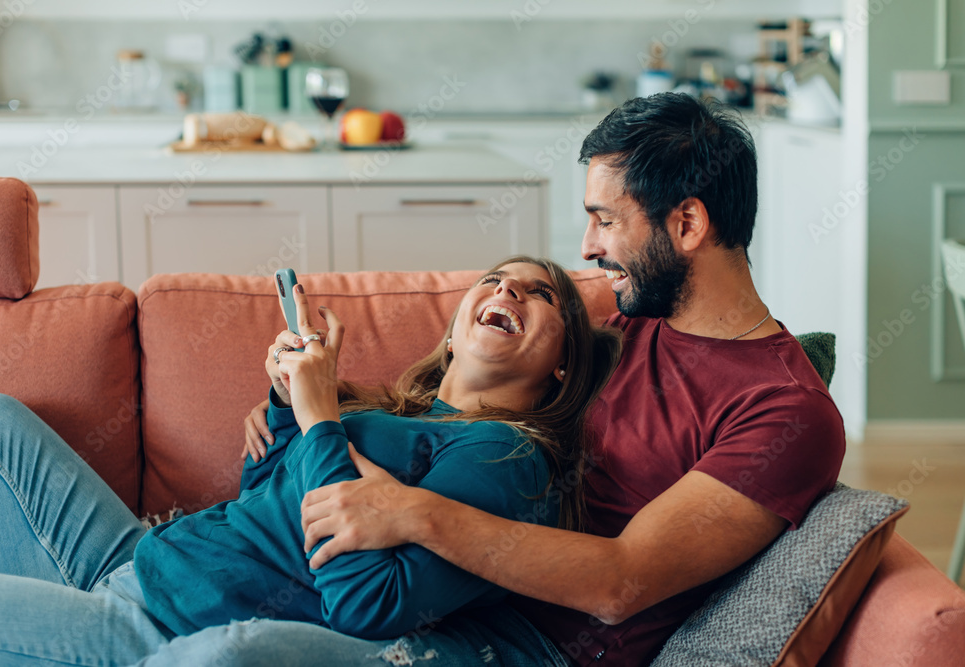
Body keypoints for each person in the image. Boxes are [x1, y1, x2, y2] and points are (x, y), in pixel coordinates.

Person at [136, 93, 845, 666]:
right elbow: (463, 399)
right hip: (445, 593)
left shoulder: (785, 410)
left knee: (229, 653)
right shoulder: (631, 325)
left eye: (605, 221)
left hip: (522, 644)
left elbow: (621, 580)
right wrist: (299, 406)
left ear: (687, 222)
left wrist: (412, 510)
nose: (588, 248)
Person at [0, 257, 621, 664]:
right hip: (141, 555)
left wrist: (317, 417)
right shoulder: (392, 410)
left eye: (540, 294)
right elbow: (267, 491)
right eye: (496, 279)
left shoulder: (506, 455)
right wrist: (286, 405)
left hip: (166, 622)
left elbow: (370, 602)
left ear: (563, 364)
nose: (509, 288)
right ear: (451, 332)